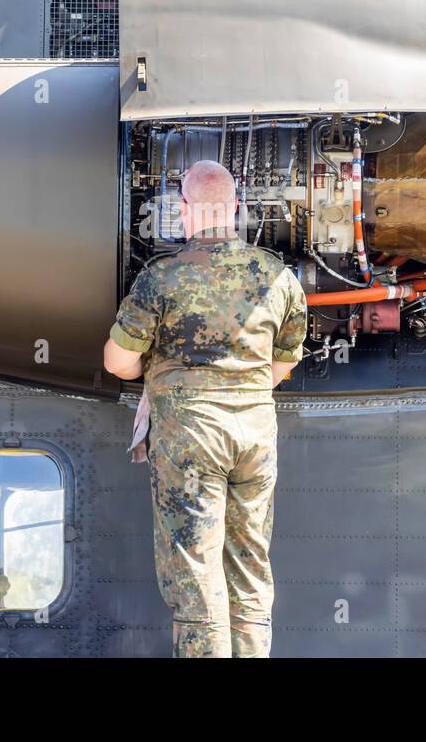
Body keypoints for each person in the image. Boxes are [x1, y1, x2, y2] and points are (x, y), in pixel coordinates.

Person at [102, 159, 307, 658]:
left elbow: (118, 362)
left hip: (191, 440)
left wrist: (154, 369)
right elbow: (284, 362)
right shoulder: (278, 277)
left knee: (197, 573)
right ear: (235, 208)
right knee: (250, 566)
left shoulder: (162, 278)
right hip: (255, 438)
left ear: (185, 212)